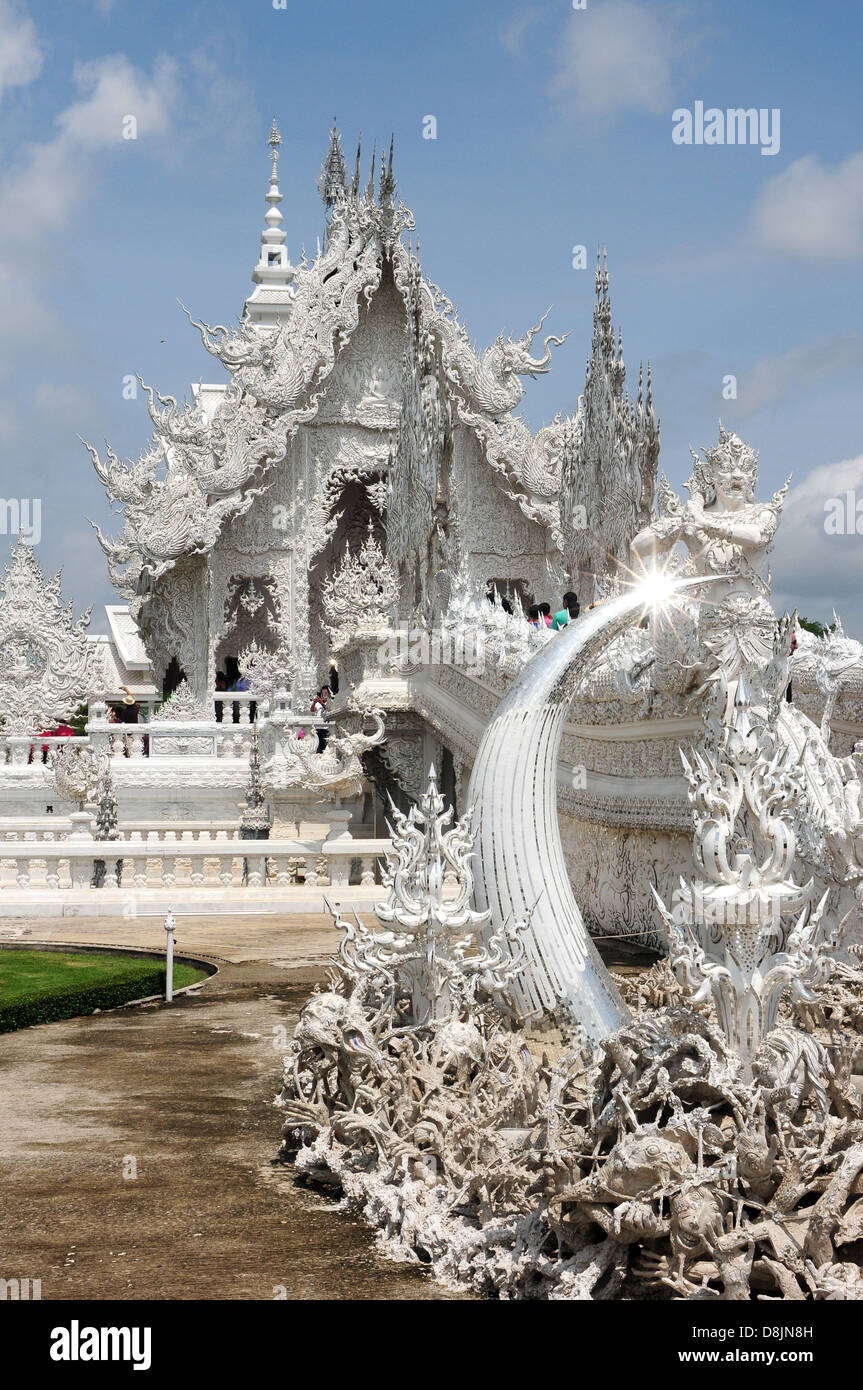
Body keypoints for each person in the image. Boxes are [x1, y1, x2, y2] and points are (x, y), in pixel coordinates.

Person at [311, 687, 329, 752]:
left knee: (325, 746)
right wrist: (314, 702)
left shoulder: (330, 702)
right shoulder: (317, 704)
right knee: (317, 746)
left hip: (325, 728)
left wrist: (321, 702)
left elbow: (327, 708)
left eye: (326, 693)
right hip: (317, 727)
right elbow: (312, 710)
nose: (324, 695)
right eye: (323, 693)